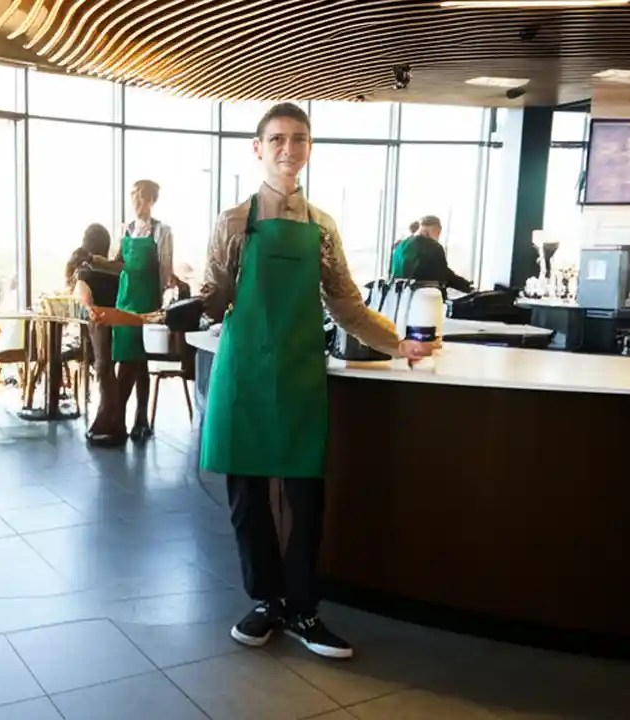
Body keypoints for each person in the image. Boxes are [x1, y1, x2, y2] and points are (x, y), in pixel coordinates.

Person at [200, 103, 433, 660]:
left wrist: (397, 342)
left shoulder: (323, 228)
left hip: (302, 372)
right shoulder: (233, 223)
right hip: (245, 372)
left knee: (307, 498)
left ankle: (304, 608)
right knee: (247, 500)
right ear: (258, 148)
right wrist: (196, 294)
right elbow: (215, 298)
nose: (287, 148)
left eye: (298, 139)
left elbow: (347, 303)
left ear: (308, 149)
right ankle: (266, 602)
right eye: (276, 138)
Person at [96, 180, 176, 442]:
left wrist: (164, 302)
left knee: (139, 361)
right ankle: (127, 418)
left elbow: (165, 269)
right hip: (124, 300)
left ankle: (134, 418)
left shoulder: (161, 231)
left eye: (142, 198)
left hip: (146, 303)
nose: (137, 202)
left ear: (152, 200)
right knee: (129, 359)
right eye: (134, 197)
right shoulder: (125, 230)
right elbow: (119, 264)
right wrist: (100, 264)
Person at [65, 224, 125, 446]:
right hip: (120, 320)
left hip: (98, 323)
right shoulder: (116, 270)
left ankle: (104, 422)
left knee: (103, 369)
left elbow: (85, 299)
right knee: (112, 371)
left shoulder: (85, 270)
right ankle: (116, 422)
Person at [389, 215, 474, 293]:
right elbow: (443, 276)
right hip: (424, 302)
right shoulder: (433, 247)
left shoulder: (399, 247)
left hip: (399, 300)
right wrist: (467, 287)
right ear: (435, 229)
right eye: (438, 233)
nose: (438, 237)